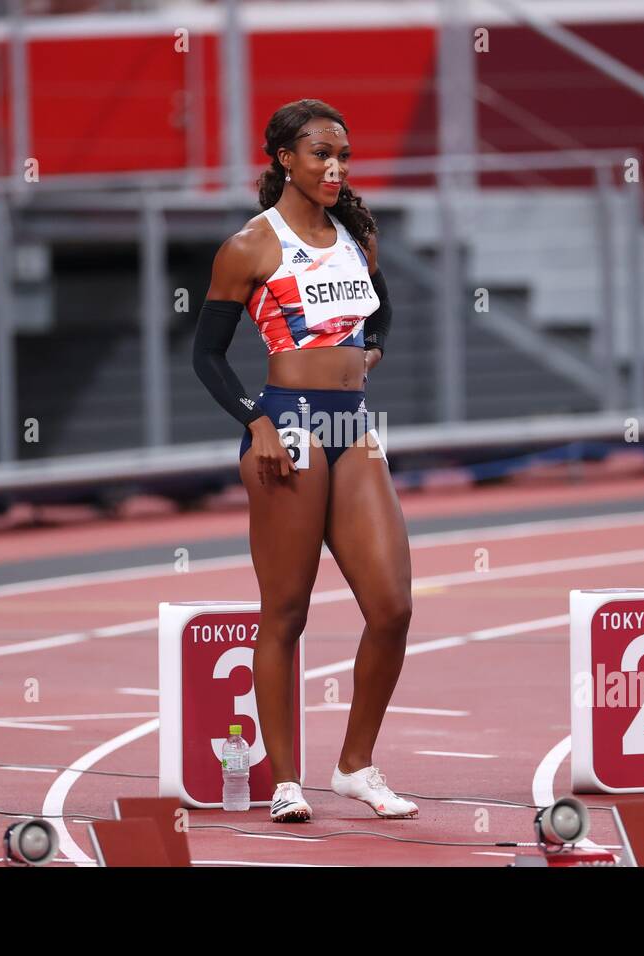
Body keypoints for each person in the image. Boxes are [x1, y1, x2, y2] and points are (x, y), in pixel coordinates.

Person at [193, 99, 417, 822]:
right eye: (322, 153)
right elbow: (206, 355)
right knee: (285, 611)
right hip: (284, 427)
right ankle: (287, 781)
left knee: (392, 606)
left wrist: (370, 350)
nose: (336, 168)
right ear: (285, 158)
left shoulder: (356, 232)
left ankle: (356, 765)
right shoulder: (251, 246)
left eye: (344, 156)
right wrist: (253, 421)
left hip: (353, 426)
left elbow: (380, 310)